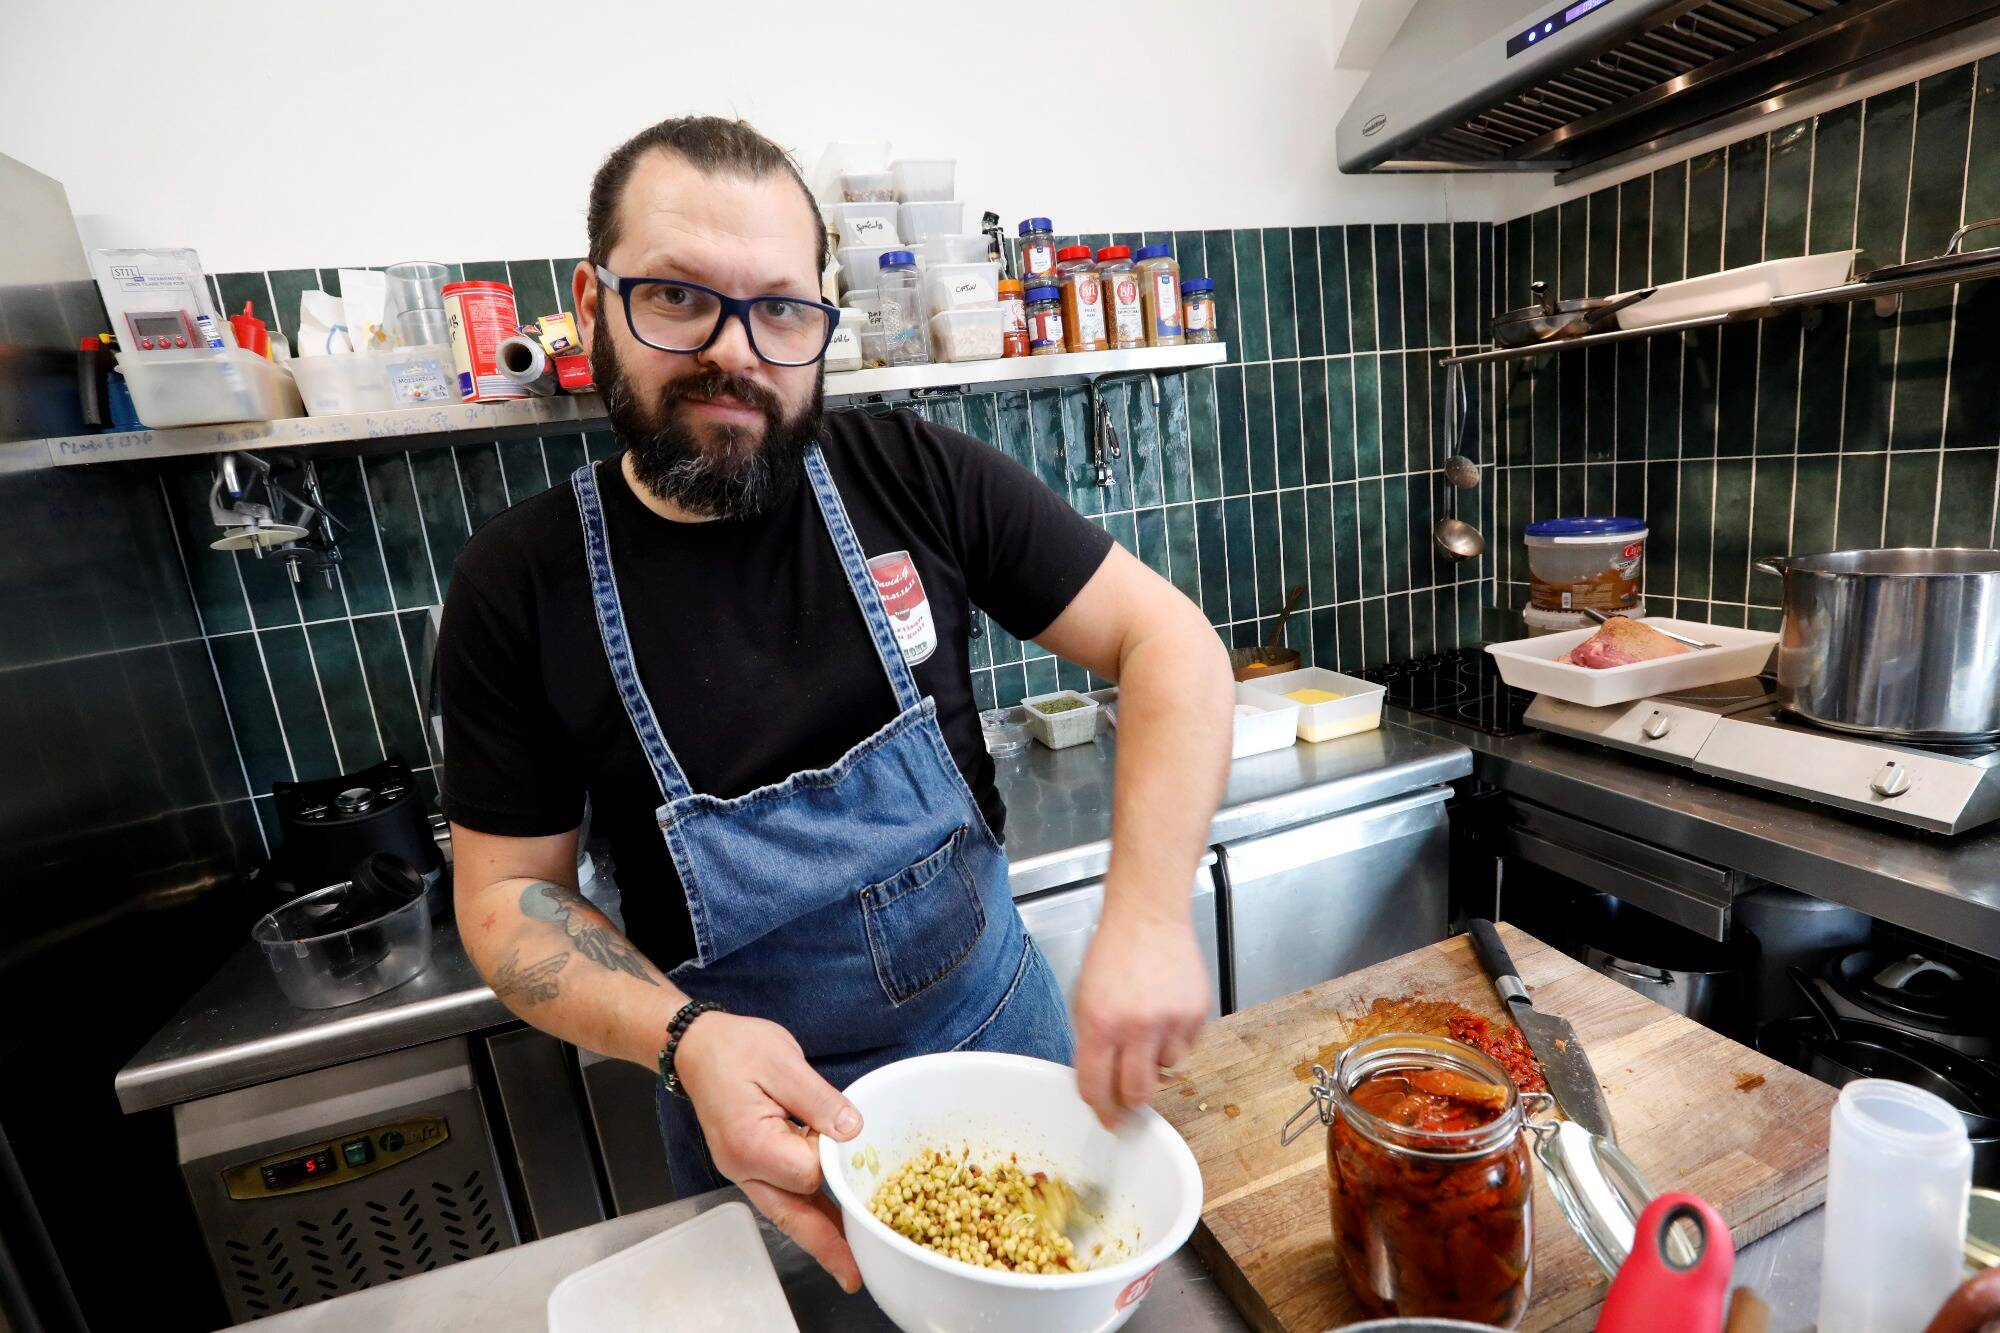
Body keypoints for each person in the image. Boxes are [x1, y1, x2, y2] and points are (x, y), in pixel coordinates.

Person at [436, 116, 1233, 1291]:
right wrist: (684, 1041)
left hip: (999, 1042)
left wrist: (1150, 916)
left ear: (821, 317)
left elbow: (1165, 639)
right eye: (675, 296)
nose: (733, 351)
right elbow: (505, 896)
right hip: (753, 1119)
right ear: (593, 299)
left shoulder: (914, 473)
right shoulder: (519, 584)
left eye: (779, 308)